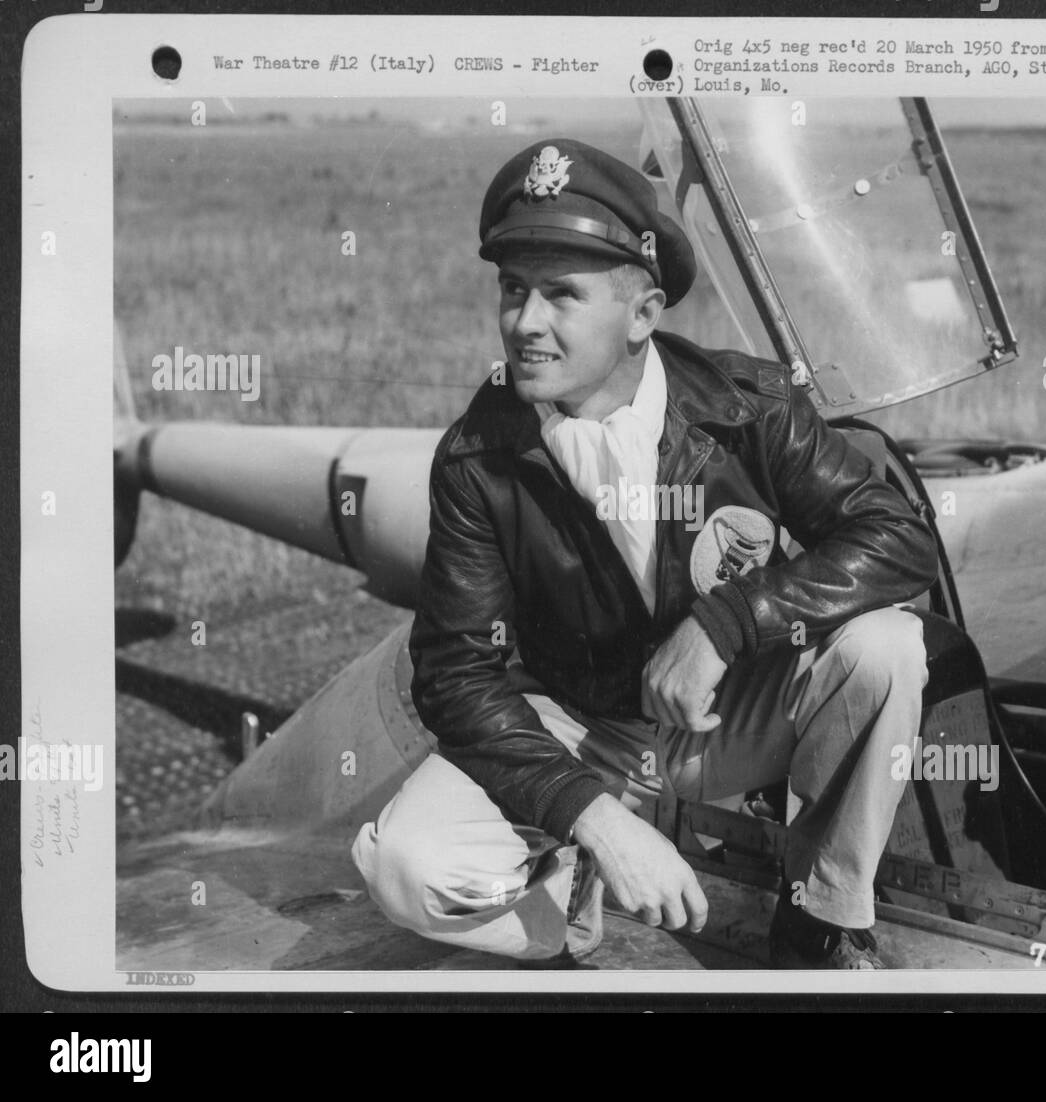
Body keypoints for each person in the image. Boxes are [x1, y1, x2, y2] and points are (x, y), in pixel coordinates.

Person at [351, 137, 938, 969]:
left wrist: (732, 620)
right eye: (513, 290)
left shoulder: (750, 408)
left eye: (561, 294)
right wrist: (594, 815)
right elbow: (455, 675)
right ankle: (574, 890)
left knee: (887, 649)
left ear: (643, 314)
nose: (525, 323)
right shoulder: (478, 457)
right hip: (574, 723)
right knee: (408, 870)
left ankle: (821, 913)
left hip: (726, 711)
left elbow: (899, 536)